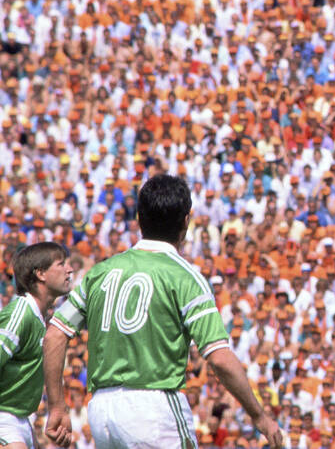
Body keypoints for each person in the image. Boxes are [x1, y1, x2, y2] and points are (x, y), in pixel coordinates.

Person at [43, 174, 283, 449]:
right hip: (154, 408)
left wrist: (57, 406)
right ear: (186, 221)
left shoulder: (100, 272)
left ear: (139, 218)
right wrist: (259, 416)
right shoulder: (185, 277)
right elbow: (219, 358)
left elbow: (54, 335)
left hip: (102, 411)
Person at [0, 243, 74, 449]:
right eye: (61, 264)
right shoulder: (21, 313)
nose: (69, 269)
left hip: (22, 420)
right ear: (40, 274)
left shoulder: (40, 317)